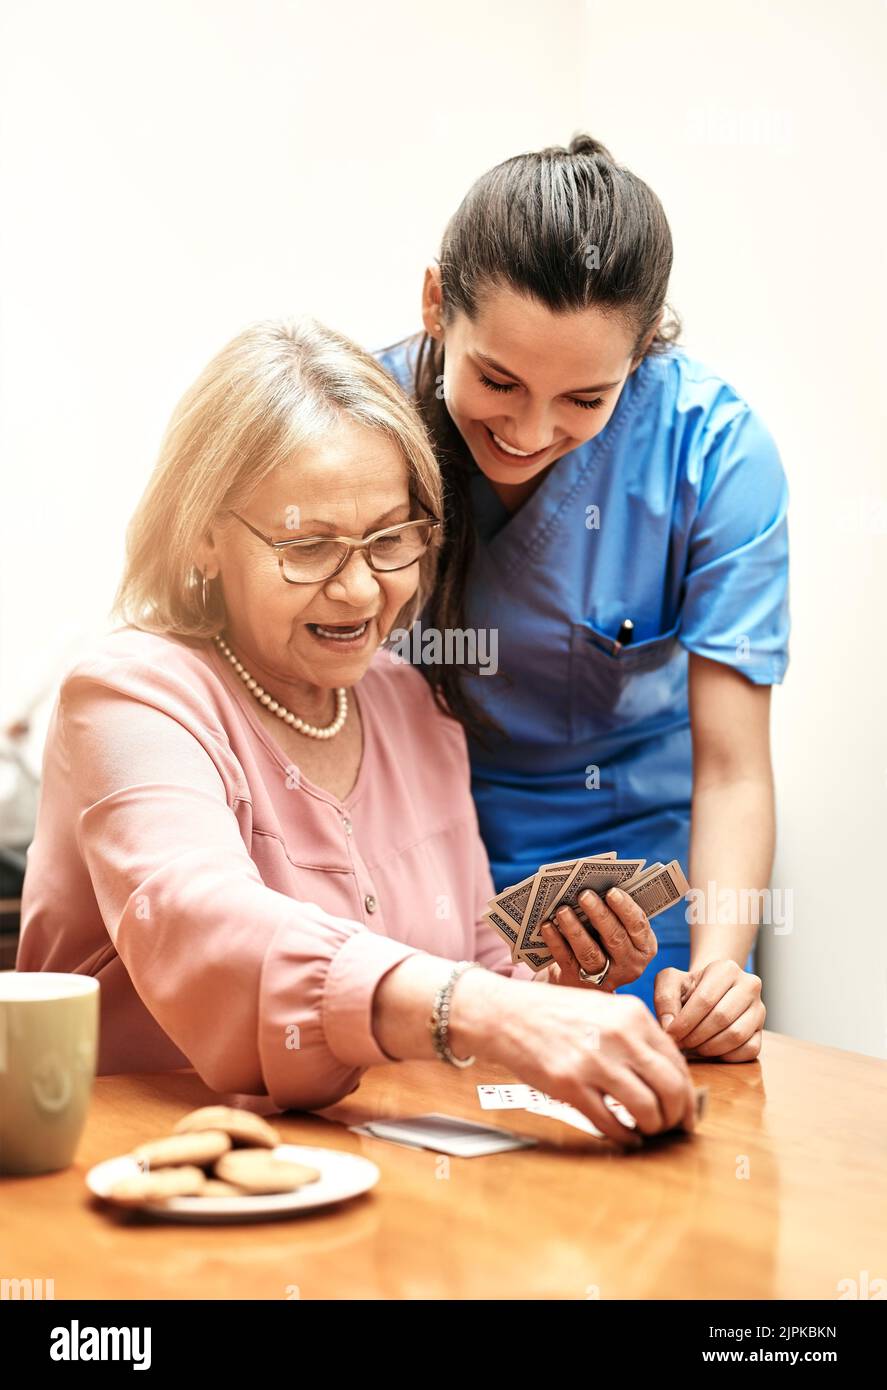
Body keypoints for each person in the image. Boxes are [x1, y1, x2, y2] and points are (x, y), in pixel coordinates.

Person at [17, 316, 695, 1144]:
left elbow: (471, 974)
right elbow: (201, 917)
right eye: (307, 547)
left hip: (364, 1190)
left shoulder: (414, 706)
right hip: (149, 1189)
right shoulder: (128, 695)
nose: (360, 592)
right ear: (202, 539)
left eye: (390, 539)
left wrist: (558, 985)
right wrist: (488, 1011)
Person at [376, 134, 787, 1061]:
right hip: (412, 888)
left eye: (585, 400)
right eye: (495, 380)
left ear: (640, 354)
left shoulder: (713, 456)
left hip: (635, 913)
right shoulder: (361, 427)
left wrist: (719, 975)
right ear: (437, 305)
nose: (527, 432)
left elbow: (732, 768)